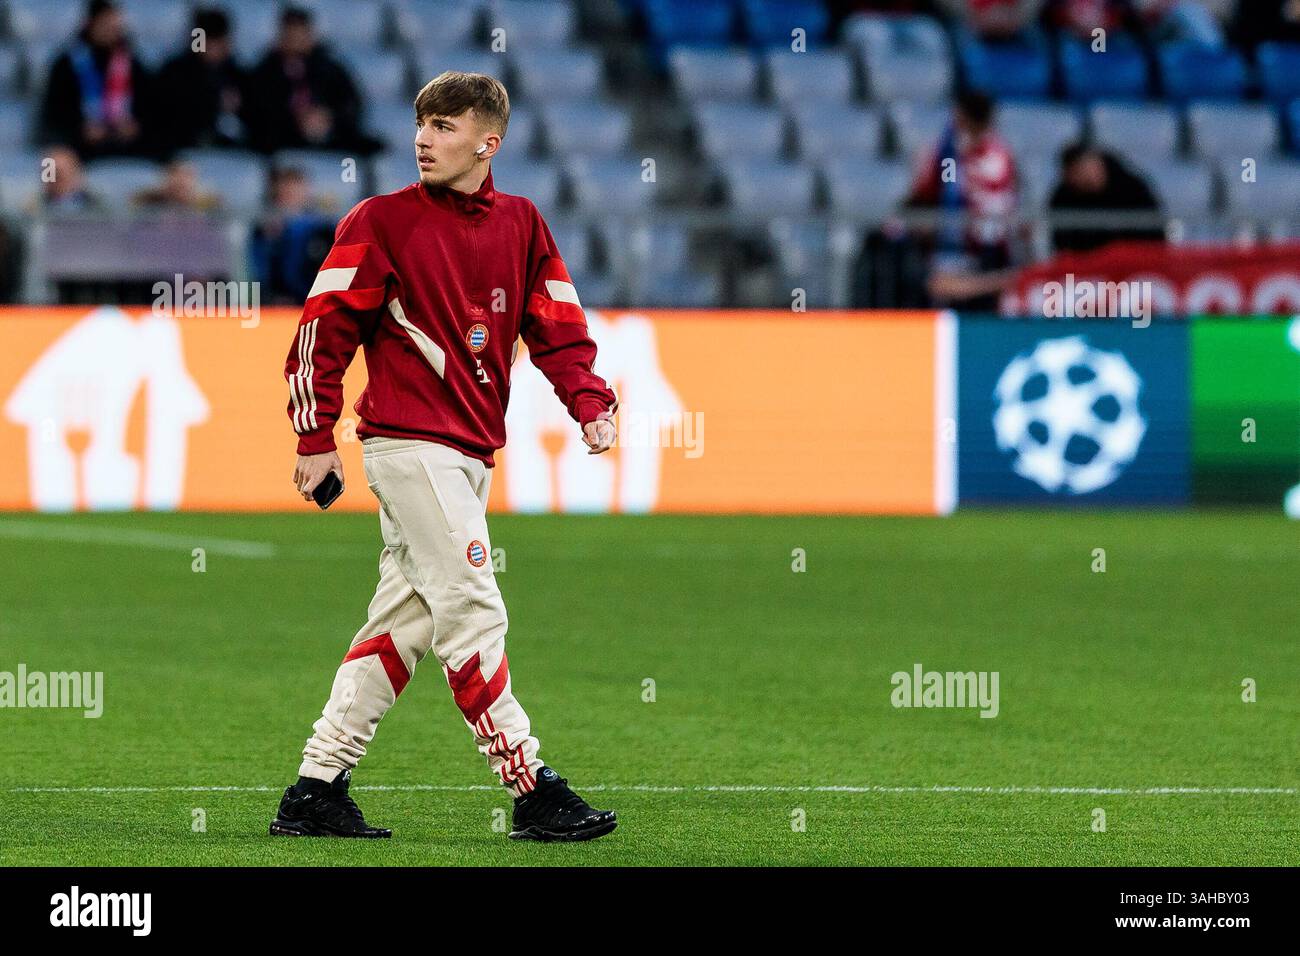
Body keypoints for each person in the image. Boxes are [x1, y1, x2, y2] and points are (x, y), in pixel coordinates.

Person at [271, 72, 620, 842]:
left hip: (467, 452)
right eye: (422, 123)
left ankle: (316, 788)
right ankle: (531, 786)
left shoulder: (523, 223)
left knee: (404, 624)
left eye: (445, 125)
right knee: (471, 604)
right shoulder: (381, 220)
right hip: (408, 444)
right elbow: (320, 330)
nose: (424, 138)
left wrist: (589, 401)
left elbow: (558, 326)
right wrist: (314, 437)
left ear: (487, 143)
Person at [907, 90, 1020, 309]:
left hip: (986, 250)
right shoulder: (950, 154)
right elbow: (935, 188)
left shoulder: (995, 156)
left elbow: (997, 200)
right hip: (951, 247)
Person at [244, 6, 380, 156]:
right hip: (283, 143)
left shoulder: (331, 70)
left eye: (300, 37)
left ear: (310, 36)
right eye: (290, 37)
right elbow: (255, 112)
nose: (295, 44)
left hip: (330, 140)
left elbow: (352, 105)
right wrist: (295, 120)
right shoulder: (265, 72)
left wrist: (328, 117)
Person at [38, 0, 157, 159]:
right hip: (80, 146)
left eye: (115, 27)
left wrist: (135, 125)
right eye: (106, 25)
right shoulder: (66, 65)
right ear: (91, 24)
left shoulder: (132, 63)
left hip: (127, 144)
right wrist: (80, 128)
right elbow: (55, 111)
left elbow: (149, 105)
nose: (112, 32)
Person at [154, 7, 249, 153]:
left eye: (219, 42)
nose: (214, 49)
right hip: (184, 152)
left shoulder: (239, 75)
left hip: (230, 152)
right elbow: (167, 119)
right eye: (209, 42)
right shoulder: (174, 73)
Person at [1049, 142, 1162, 253]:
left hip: (1134, 261)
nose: (1082, 177)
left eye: (1083, 169)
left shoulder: (1133, 188)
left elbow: (1154, 232)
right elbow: (1064, 252)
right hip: (1086, 265)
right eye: (1074, 173)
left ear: (1097, 164)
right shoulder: (1062, 198)